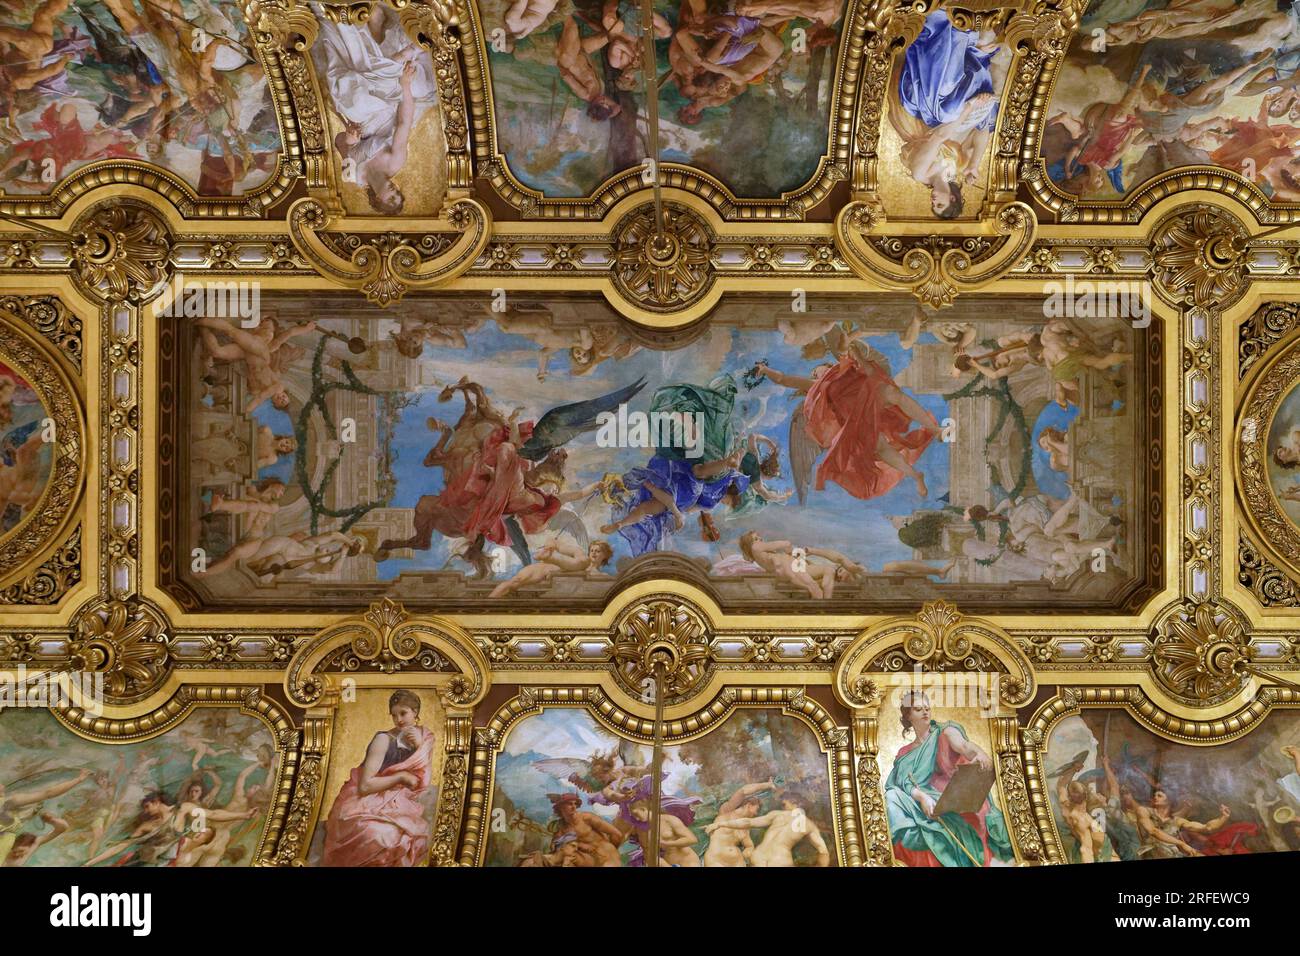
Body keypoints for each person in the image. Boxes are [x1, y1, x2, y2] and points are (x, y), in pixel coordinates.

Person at [884, 691, 1014, 866]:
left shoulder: (945, 731)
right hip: (927, 800)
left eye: (927, 708)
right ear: (908, 715)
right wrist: (922, 797)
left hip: (957, 795)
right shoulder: (905, 753)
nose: (925, 712)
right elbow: (902, 783)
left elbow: (964, 746)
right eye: (918, 709)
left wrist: (980, 754)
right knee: (893, 797)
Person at [322, 690, 436, 866]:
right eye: (394, 715)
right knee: (383, 836)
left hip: (398, 802)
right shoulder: (384, 739)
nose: (399, 719)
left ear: (415, 712)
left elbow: (420, 782)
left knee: (413, 838)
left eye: (403, 713)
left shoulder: (424, 739)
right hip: (362, 802)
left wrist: (420, 747)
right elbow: (365, 786)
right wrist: (400, 777)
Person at [704, 790, 831, 866]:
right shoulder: (809, 825)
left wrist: (721, 824)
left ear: (795, 803)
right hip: (778, 861)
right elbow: (823, 851)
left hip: (759, 859)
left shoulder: (776, 815)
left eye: (784, 803)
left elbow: (748, 822)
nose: (783, 806)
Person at [488, 538, 614, 598]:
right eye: (592, 550)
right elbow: (556, 542)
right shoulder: (581, 555)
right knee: (513, 582)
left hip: (553, 572)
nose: (593, 553)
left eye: (598, 551)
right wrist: (550, 546)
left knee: (582, 563)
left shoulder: (601, 576)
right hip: (544, 568)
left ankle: (551, 557)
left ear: (605, 555)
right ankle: (489, 604)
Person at [702, 779, 775, 866]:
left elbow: (749, 846)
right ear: (749, 804)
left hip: (737, 862)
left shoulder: (745, 826)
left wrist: (746, 854)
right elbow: (743, 791)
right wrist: (768, 785)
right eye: (757, 809)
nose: (756, 813)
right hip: (716, 860)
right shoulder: (727, 810)